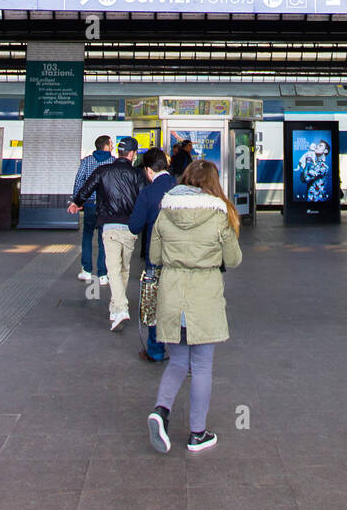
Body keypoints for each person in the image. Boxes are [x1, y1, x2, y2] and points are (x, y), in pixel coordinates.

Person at [147, 159, 242, 454]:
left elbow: (154, 255)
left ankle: (161, 411)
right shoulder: (219, 216)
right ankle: (197, 434)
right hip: (204, 295)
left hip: (172, 294)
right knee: (201, 367)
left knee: (177, 362)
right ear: (213, 182)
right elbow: (234, 259)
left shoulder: (165, 212)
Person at [69, 137, 146, 330]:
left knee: (114, 269)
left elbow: (86, 187)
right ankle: (121, 308)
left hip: (109, 226)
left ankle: (116, 307)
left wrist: (76, 202)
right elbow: (144, 199)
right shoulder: (138, 174)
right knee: (123, 269)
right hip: (130, 228)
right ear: (132, 154)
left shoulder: (103, 170)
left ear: (119, 152)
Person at [128, 147, 176, 363]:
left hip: (155, 258)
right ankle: (181, 351)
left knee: (154, 304)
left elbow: (134, 226)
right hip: (181, 257)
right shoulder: (180, 187)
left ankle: (155, 351)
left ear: (148, 170)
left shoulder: (148, 193)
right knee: (178, 302)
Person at [72, 135, 113, 286]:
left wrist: (77, 201)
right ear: (106, 146)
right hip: (106, 206)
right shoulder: (112, 162)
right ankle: (103, 274)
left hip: (89, 204)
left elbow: (79, 181)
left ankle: (86, 271)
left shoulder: (87, 161)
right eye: (111, 144)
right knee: (104, 239)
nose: (113, 146)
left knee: (87, 235)